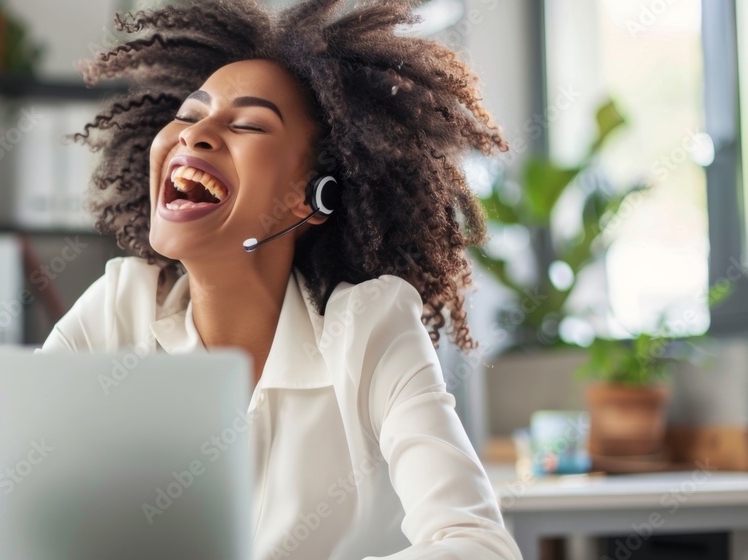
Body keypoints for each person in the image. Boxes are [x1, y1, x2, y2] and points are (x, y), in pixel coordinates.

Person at [38, 0, 522, 558]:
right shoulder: (115, 313)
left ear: (310, 199)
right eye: (189, 115)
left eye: (248, 124)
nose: (195, 136)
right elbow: (3, 492)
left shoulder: (369, 330)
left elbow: (477, 546)